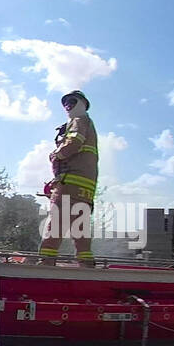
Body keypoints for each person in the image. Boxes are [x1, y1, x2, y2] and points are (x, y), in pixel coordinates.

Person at [39, 89, 100, 263]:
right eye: (65, 102)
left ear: (82, 103)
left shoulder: (78, 120)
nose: (67, 105)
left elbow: (73, 144)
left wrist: (56, 154)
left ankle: (45, 264)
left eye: (71, 101)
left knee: (56, 223)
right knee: (80, 231)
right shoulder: (89, 123)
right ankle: (86, 265)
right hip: (85, 189)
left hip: (70, 185)